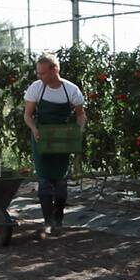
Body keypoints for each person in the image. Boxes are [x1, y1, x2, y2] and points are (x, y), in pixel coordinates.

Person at [24, 53, 86, 235]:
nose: (40, 76)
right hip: (41, 139)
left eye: (42, 73)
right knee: (44, 180)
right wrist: (34, 129)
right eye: (38, 73)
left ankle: (58, 221)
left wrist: (78, 131)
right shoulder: (36, 88)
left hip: (62, 140)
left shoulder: (71, 90)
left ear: (54, 70)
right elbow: (28, 115)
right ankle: (47, 222)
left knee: (60, 181)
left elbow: (81, 114)